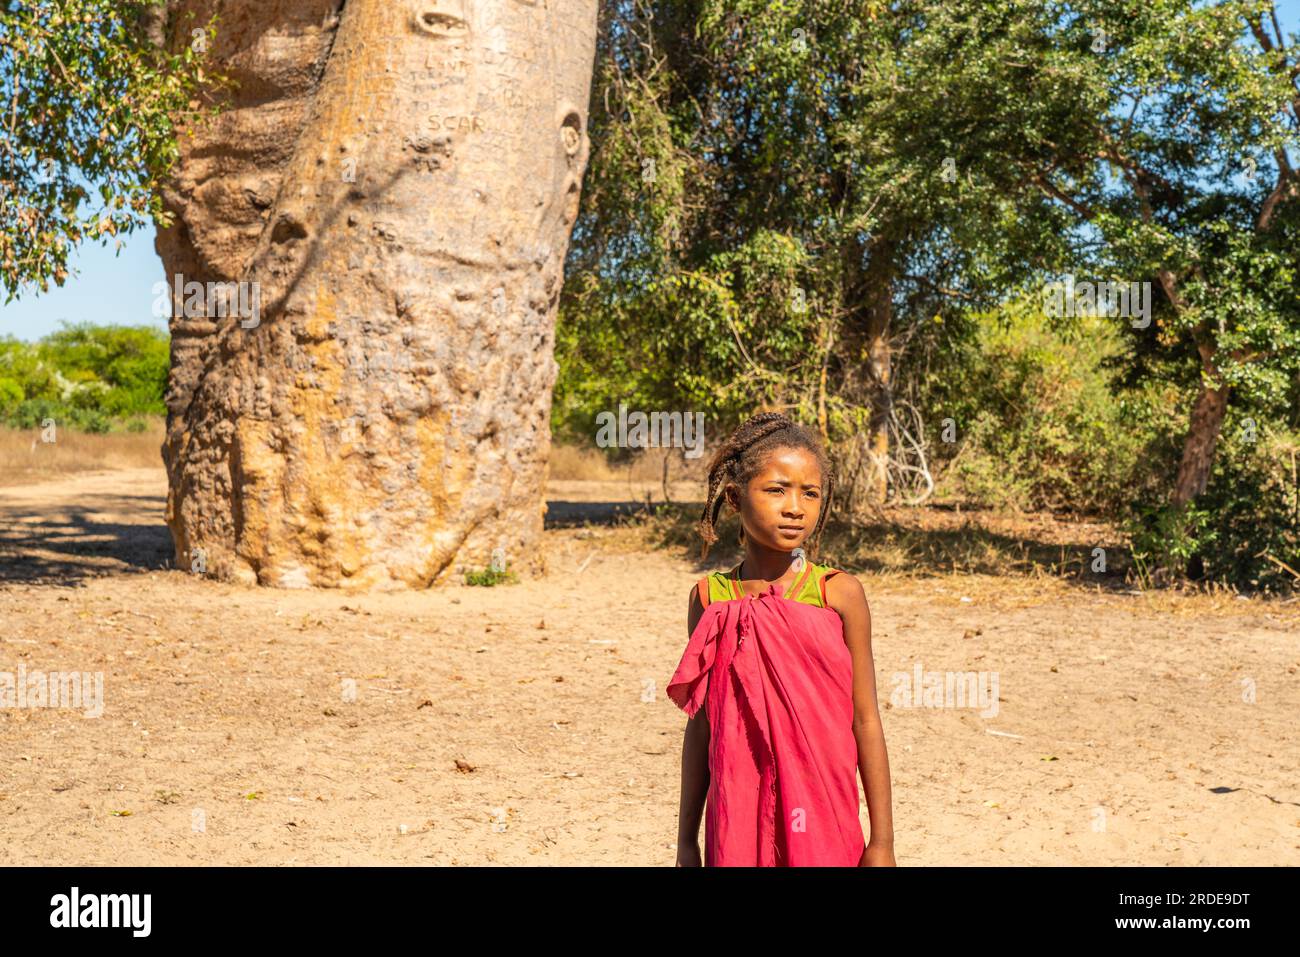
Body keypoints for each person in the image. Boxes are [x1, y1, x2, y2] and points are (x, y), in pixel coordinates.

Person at [667, 411, 896, 866]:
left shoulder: (839, 594)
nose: (795, 506)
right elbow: (703, 724)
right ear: (734, 498)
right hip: (737, 805)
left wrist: (883, 842)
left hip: (822, 803)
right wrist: (685, 841)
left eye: (810, 493)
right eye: (776, 489)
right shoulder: (711, 599)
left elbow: (866, 719)